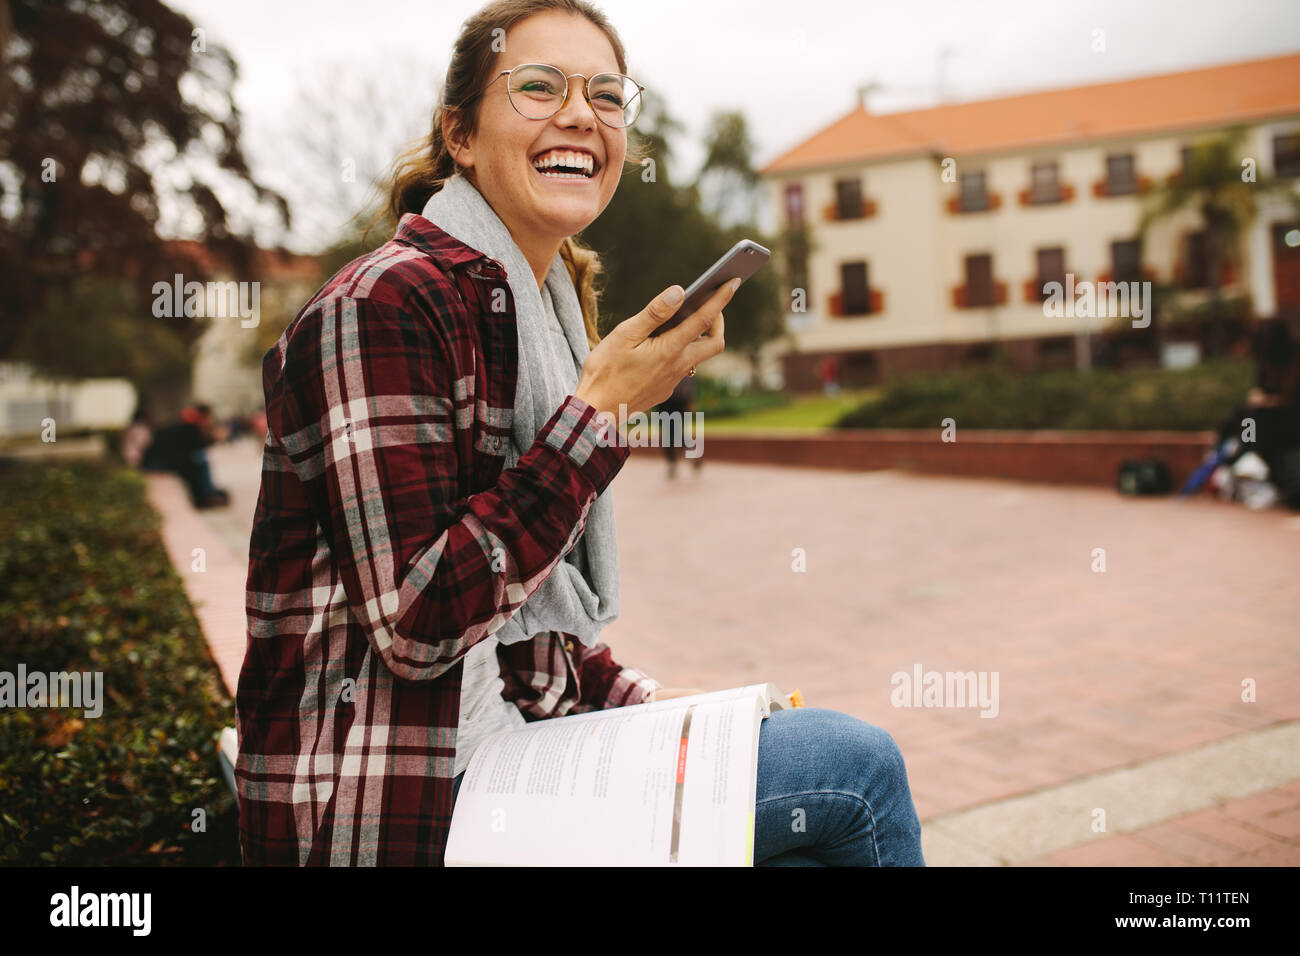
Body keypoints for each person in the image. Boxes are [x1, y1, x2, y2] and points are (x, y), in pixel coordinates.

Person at [235, 0, 923, 867]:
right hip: (392, 804)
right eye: (537, 87)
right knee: (851, 772)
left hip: (506, 749)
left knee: (792, 816)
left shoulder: (540, 311)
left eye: (605, 94)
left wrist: (665, 703)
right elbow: (419, 620)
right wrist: (598, 417)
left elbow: (520, 633)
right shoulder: (385, 303)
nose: (579, 114)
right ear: (460, 133)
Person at [140, 403, 229, 508]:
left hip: (158, 460)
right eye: (210, 418)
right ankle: (207, 495)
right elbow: (196, 445)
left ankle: (206, 494)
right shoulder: (190, 425)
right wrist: (215, 438)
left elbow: (190, 446)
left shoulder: (186, 423)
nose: (210, 421)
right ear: (204, 417)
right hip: (156, 462)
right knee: (199, 460)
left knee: (195, 461)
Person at [657, 373, 702, 478]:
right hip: (665, 400)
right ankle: (675, 460)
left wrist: (690, 399)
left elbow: (688, 378)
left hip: (677, 400)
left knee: (673, 433)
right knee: (667, 434)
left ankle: (678, 459)